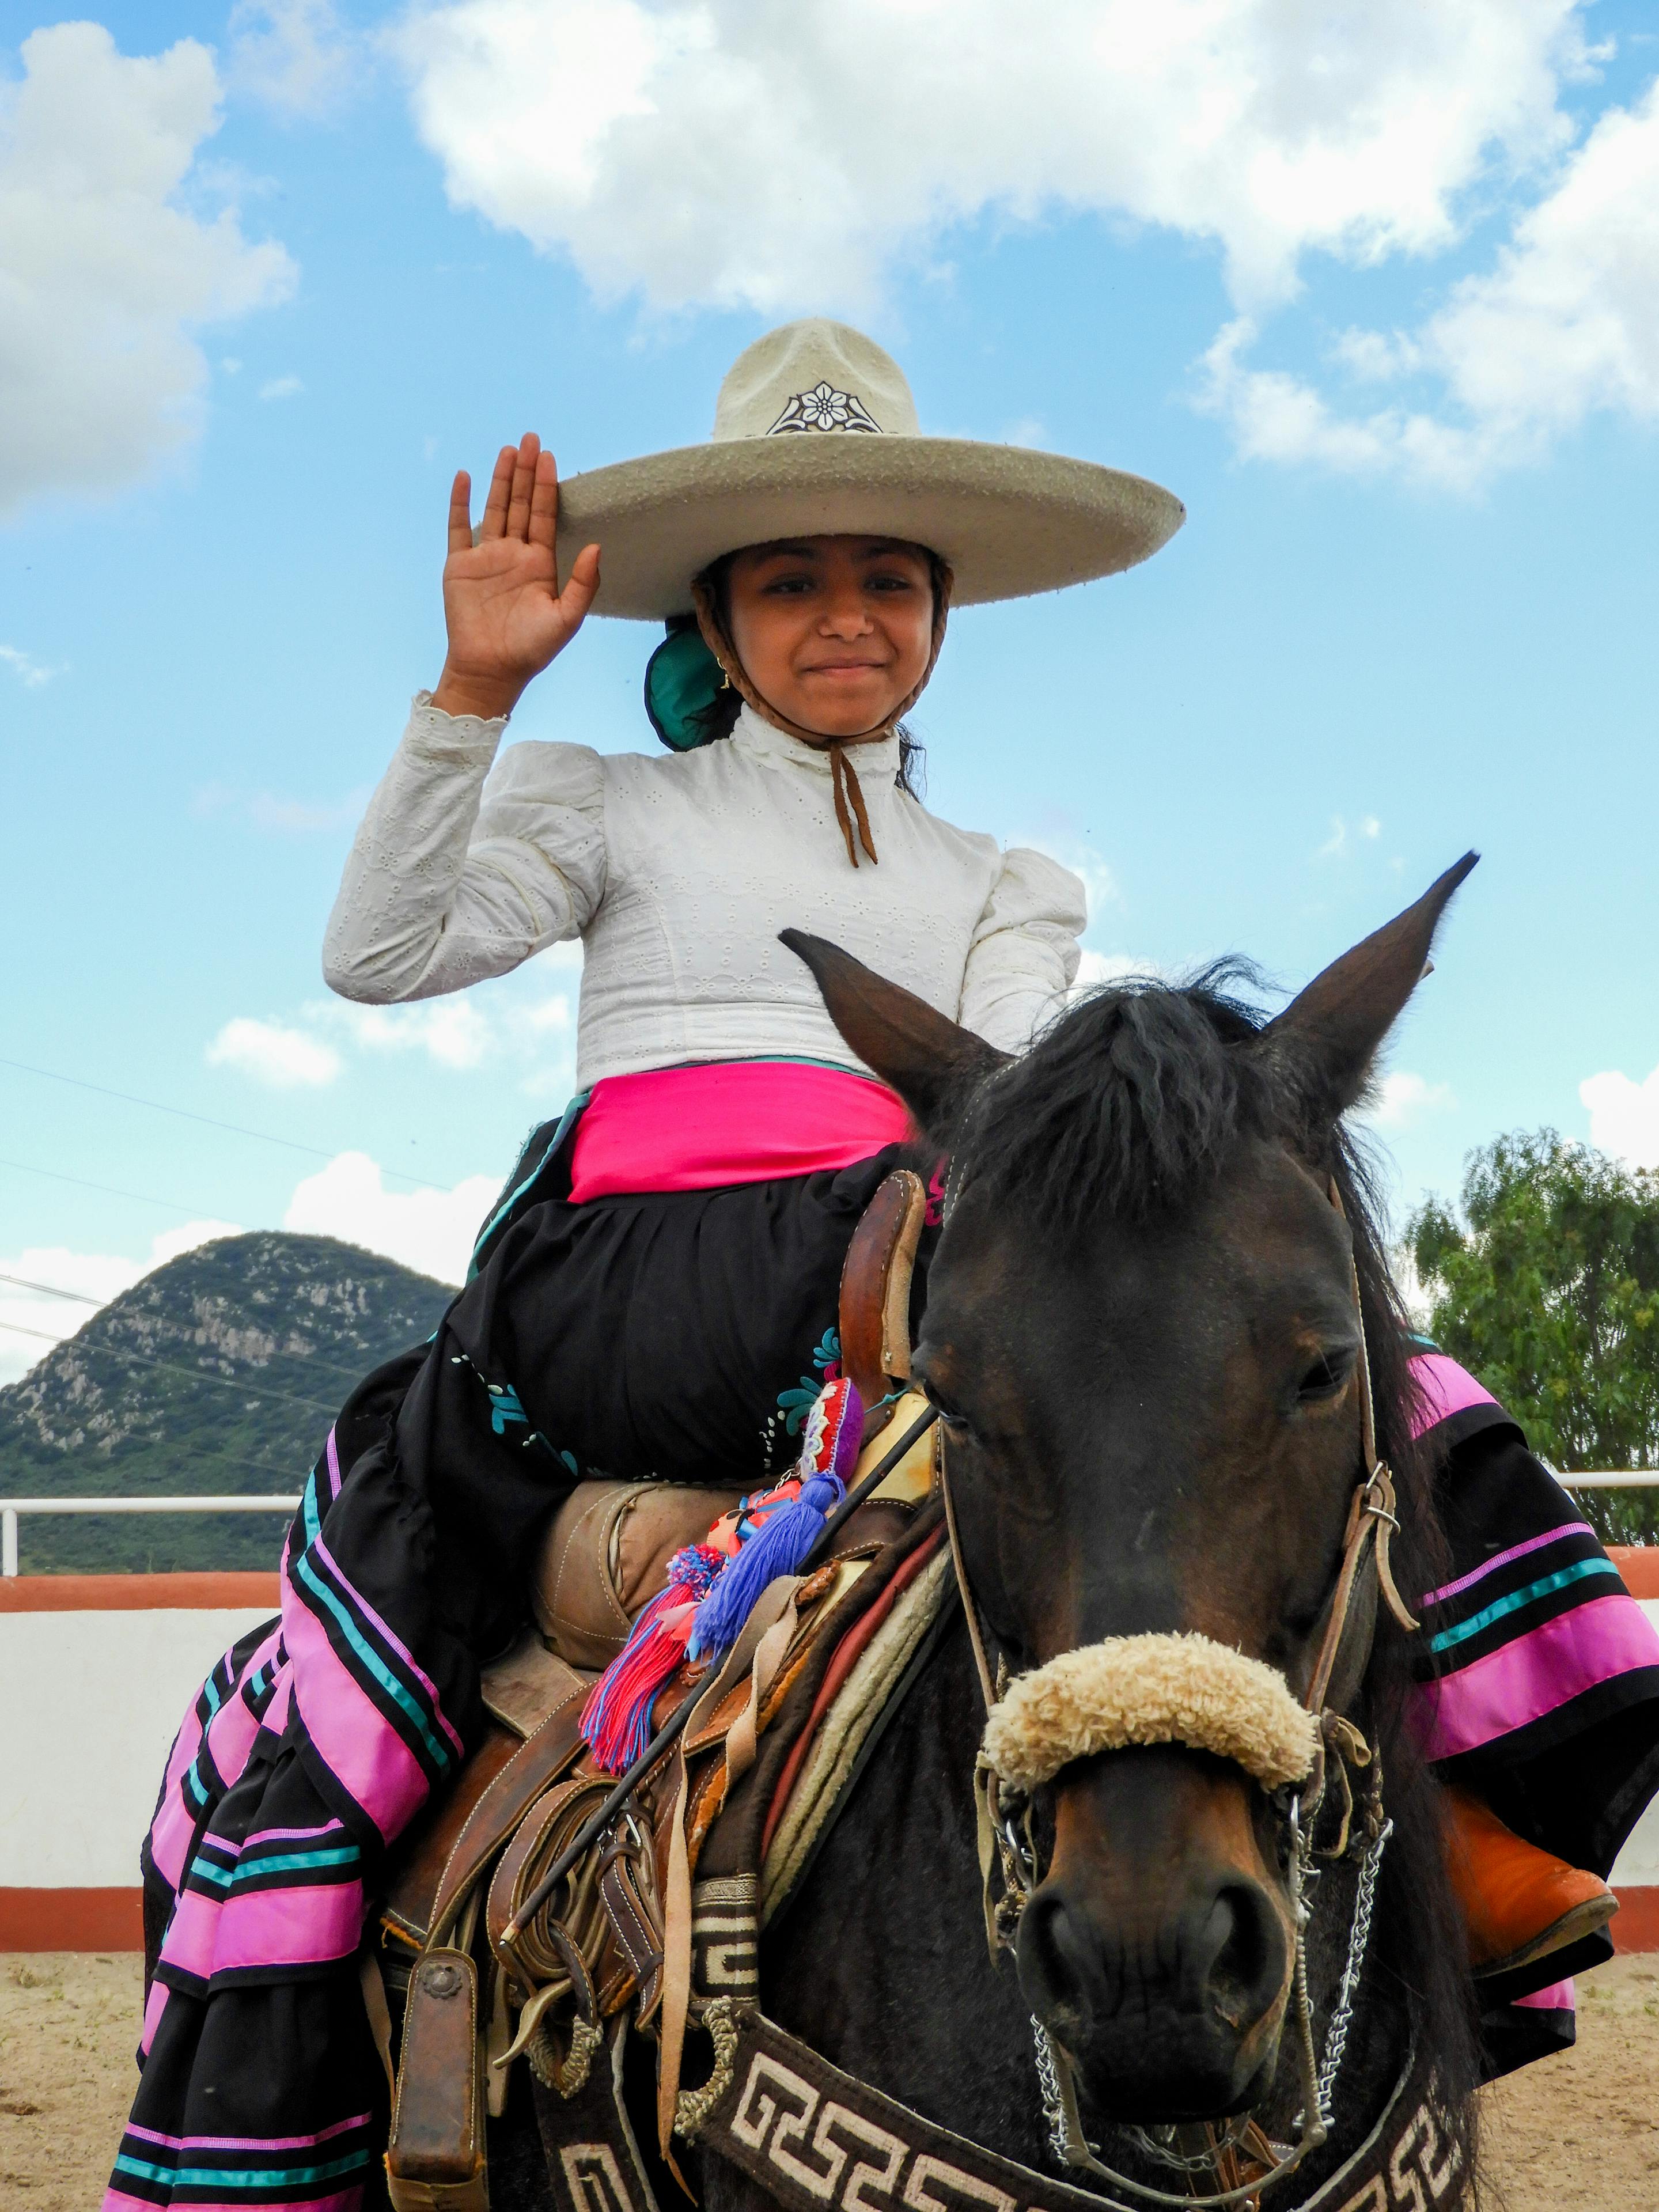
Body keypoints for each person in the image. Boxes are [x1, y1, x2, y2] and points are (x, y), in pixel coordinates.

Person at [107, 321, 1657, 2212]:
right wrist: (471, 693)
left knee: (1327, 1355)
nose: (847, 616)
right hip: (639, 1285)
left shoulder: (1015, 876)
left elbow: (1000, 1139)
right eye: (794, 582)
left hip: (914, 1252)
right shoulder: (613, 801)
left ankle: (1476, 1808)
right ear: (723, 614)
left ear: (939, 614)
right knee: (951, 1247)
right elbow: (380, 952)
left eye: (888, 582)